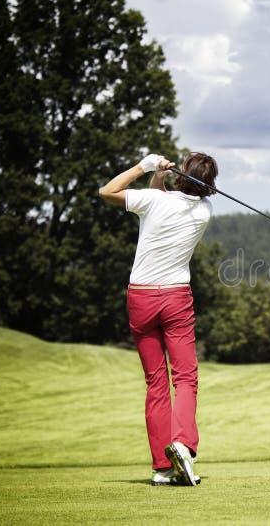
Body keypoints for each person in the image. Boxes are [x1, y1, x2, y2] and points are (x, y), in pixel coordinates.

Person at [99, 152, 218, 486]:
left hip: (140, 297)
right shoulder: (204, 211)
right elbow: (165, 200)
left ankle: (163, 468)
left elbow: (107, 191)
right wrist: (160, 178)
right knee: (185, 378)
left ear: (182, 174)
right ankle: (182, 444)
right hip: (176, 298)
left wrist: (145, 167)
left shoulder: (152, 202)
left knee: (156, 381)